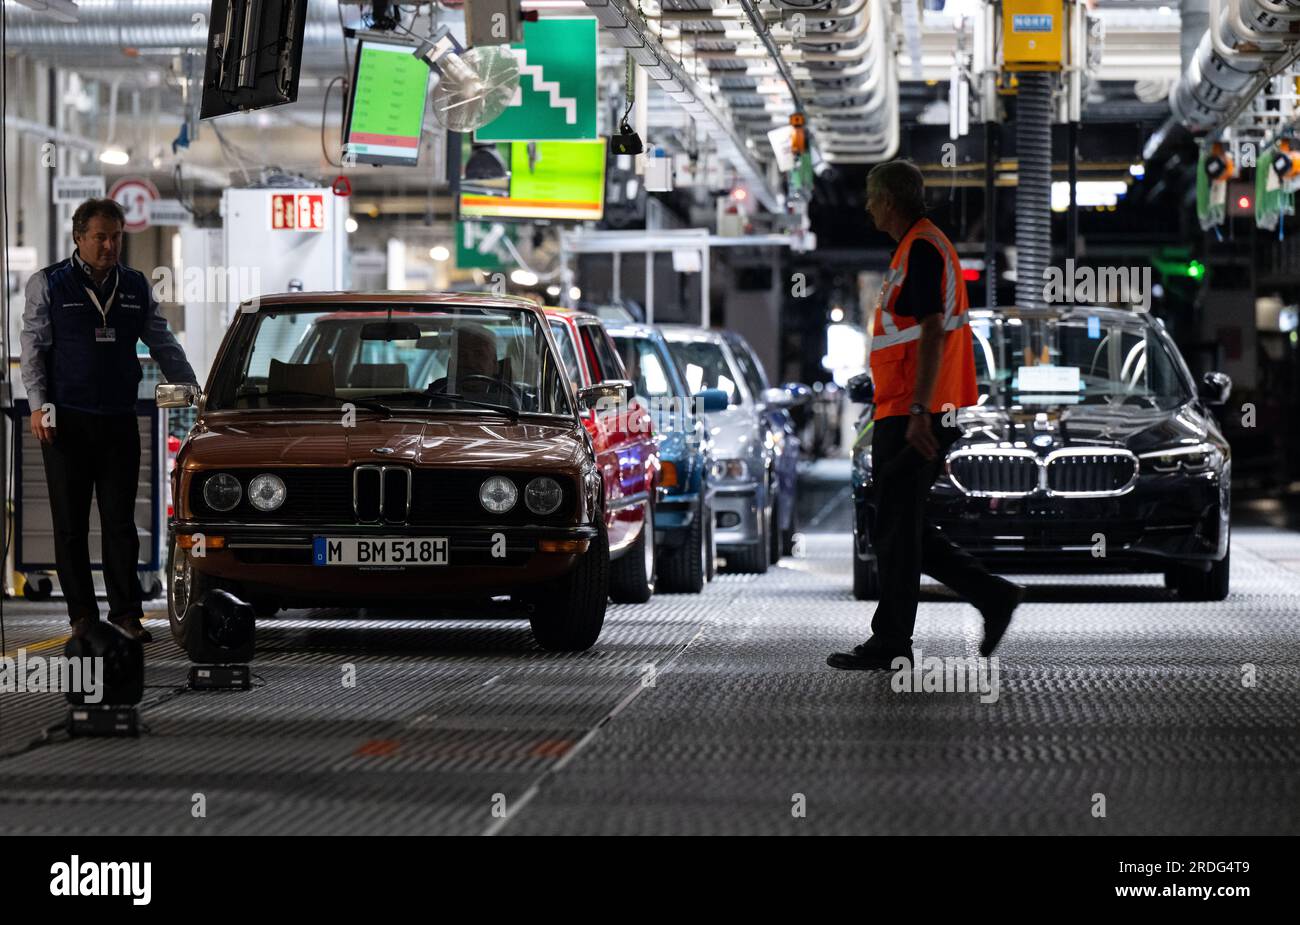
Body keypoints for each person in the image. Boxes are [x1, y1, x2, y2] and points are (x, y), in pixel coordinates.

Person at [828, 161, 1023, 671]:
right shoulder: (918, 246)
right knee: (897, 520)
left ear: (889, 199)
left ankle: (894, 639)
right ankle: (988, 595)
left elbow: (932, 331)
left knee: (893, 519)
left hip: (920, 411)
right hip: (913, 408)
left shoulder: (920, 248)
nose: (868, 207)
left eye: (872, 198)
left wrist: (918, 411)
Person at [20, 197, 198, 641]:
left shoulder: (135, 286)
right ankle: (82, 617)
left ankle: (125, 615)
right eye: (100, 236)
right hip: (66, 423)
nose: (109, 245)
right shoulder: (49, 284)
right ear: (79, 238)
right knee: (71, 524)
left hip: (119, 420)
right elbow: (34, 349)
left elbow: (162, 341)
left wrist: (191, 386)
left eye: (116, 237)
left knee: (120, 524)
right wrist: (38, 404)